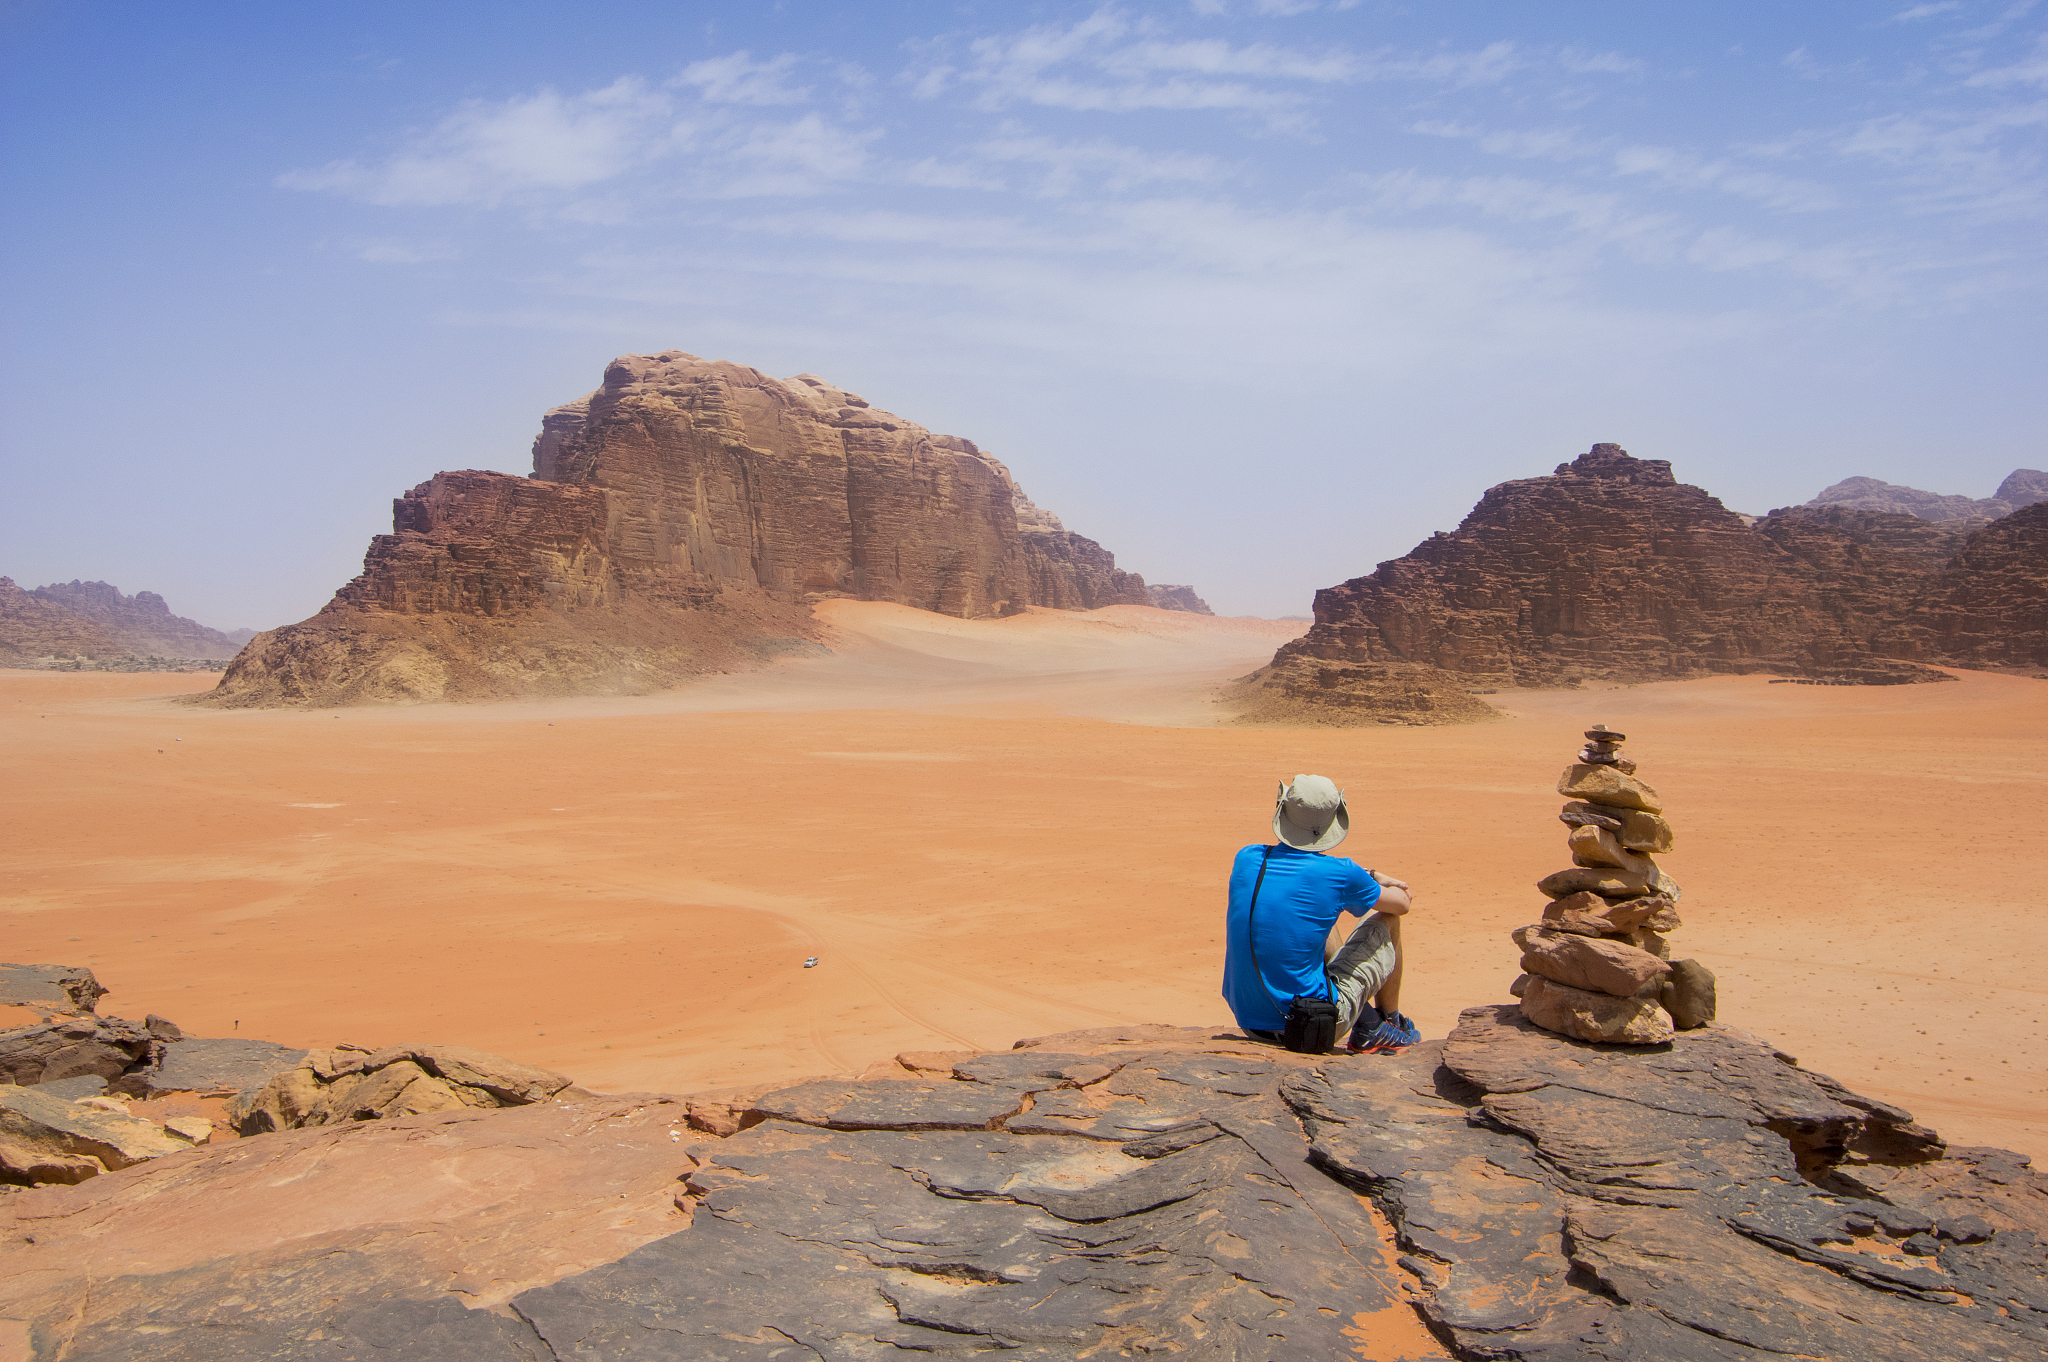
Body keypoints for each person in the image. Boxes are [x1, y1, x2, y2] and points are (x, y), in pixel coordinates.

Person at [1221, 774, 1419, 1053]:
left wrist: (1369, 875)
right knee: (1388, 921)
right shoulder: (1340, 873)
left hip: (1251, 1023)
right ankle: (1387, 1024)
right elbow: (1401, 904)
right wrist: (1385, 882)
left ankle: (1372, 1021)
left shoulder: (1247, 857)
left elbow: (1305, 879)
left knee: (1320, 915)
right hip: (1311, 1025)